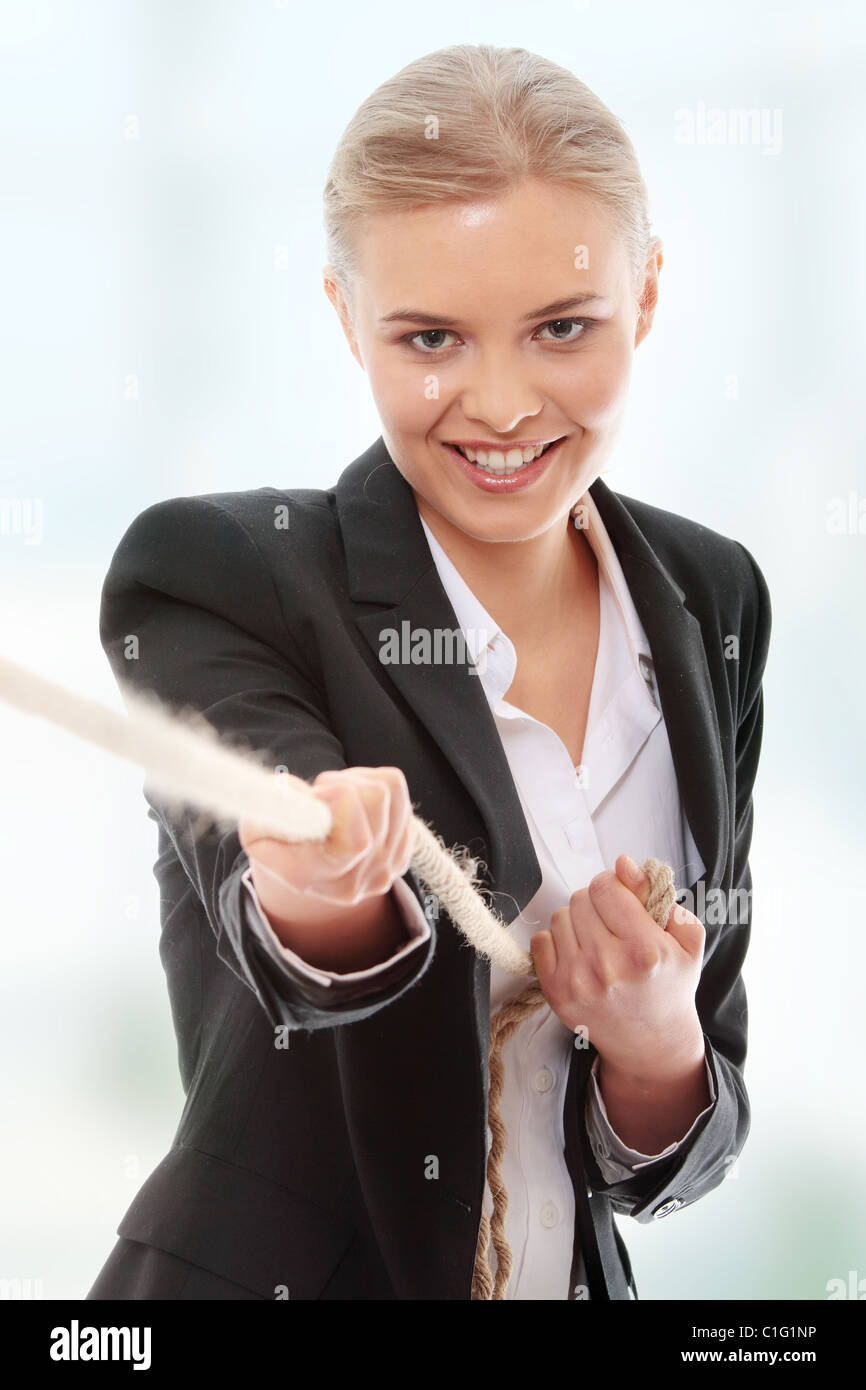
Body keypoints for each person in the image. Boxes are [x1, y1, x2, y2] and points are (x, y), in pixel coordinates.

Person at [87, 43, 771, 1301]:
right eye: (431, 337)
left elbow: (679, 1141)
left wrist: (653, 1035)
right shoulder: (222, 572)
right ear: (347, 317)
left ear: (651, 294)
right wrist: (323, 882)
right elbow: (280, 933)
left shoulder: (709, 596)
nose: (500, 404)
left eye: (562, 327)